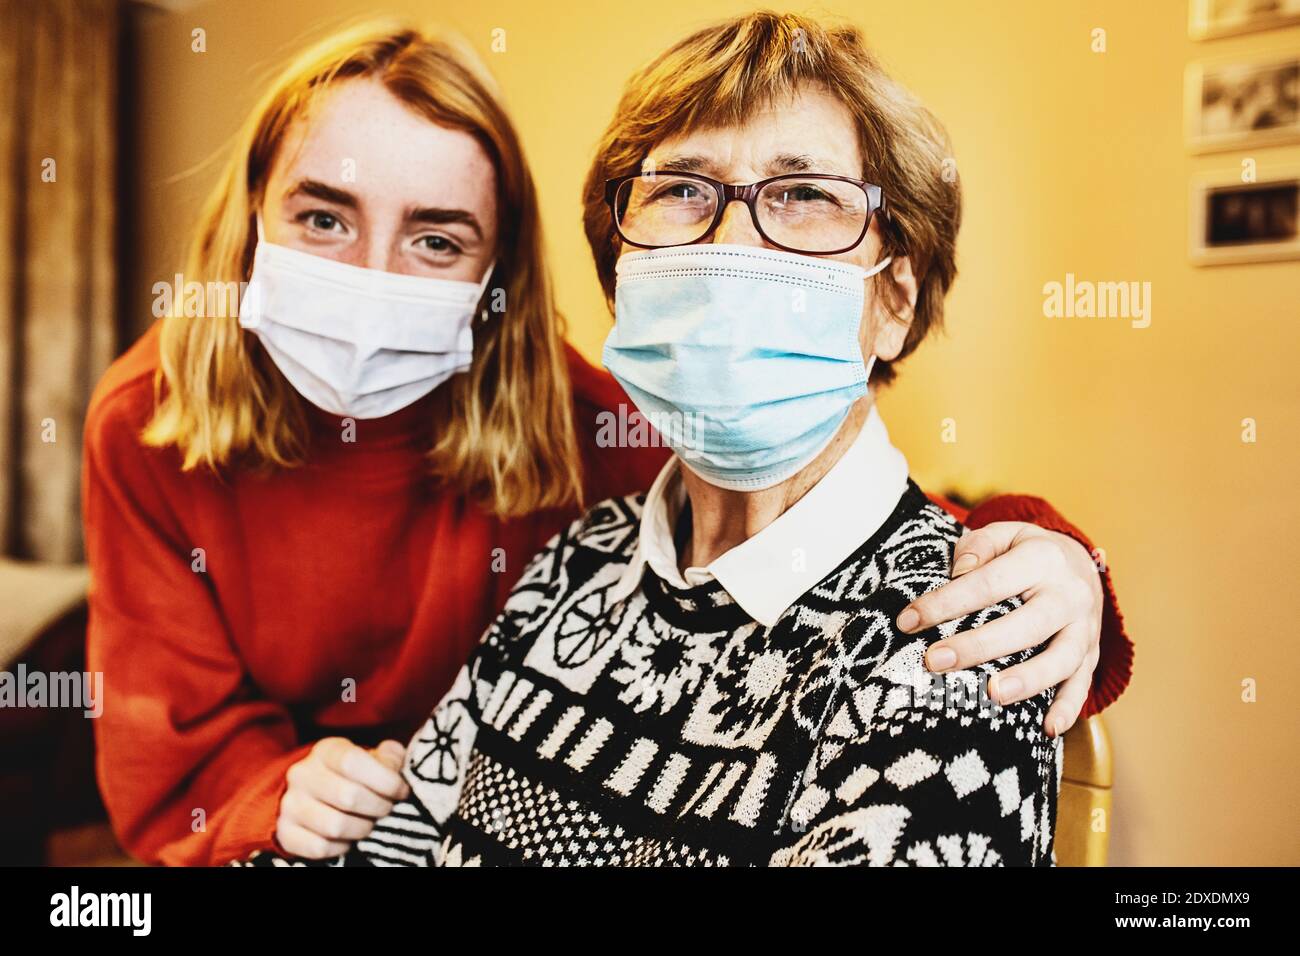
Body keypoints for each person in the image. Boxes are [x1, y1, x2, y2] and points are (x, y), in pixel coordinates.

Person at [85, 19, 1129, 867]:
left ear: (892, 300)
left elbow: (824, 530)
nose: (729, 248)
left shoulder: (940, 645)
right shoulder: (575, 562)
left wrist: (1042, 553)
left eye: (803, 195)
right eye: (682, 190)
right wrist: (282, 801)